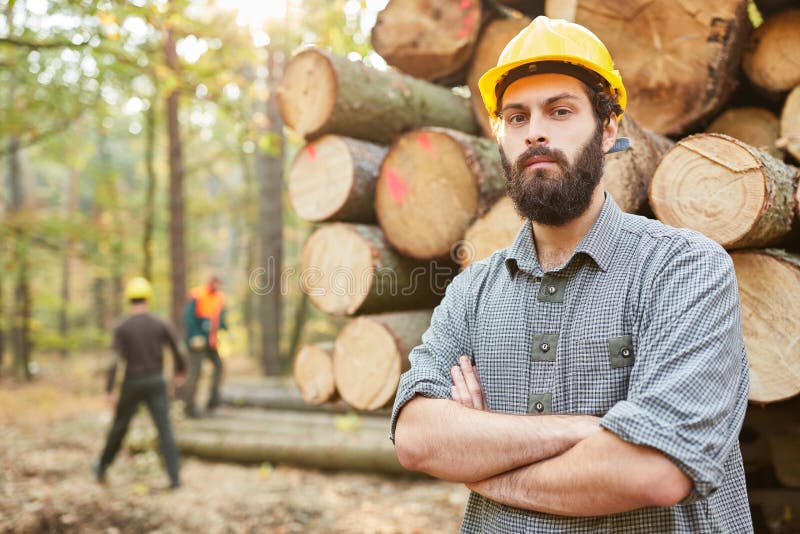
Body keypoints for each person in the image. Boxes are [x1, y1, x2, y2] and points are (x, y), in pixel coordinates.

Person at [391, 16, 751, 533]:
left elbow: (654, 470)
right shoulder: (472, 290)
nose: (535, 130)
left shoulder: (684, 268)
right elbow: (418, 438)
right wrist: (590, 432)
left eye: (560, 111)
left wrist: (487, 468)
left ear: (608, 129)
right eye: (516, 118)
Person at [94, 277, 187, 489]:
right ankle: (175, 479)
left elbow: (114, 361)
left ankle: (101, 466)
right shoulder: (159, 323)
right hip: (156, 381)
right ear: (148, 298)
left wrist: (109, 389)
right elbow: (178, 349)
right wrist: (180, 371)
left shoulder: (123, 327)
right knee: (164, 428)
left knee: (119, 426)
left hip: (132, 383)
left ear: (129, 299)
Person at [183, 275, 227, 417]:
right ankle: (189, 406)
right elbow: (188, 318)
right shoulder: (197, 295)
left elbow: (219, 319)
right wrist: (195, 335)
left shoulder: (219, 298)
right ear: (210, 283)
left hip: (211, 342)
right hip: (197, 341)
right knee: (195, 372)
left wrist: (225, 331)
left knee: (219, 367)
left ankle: (213, 401)